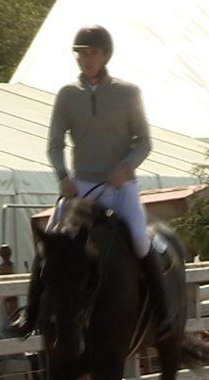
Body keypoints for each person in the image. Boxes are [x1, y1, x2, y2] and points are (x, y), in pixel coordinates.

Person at [10, 25, 174, 340]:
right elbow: (55, 144)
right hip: (82, 188)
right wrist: (63, 177)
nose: (87, 59)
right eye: (82, 53)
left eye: (93, 53)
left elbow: (144, 142)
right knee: (51, 245)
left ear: (105, 55)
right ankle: (29, 315)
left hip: (119, 186)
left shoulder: (128, 93)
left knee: (140, 239)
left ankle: (163, 312)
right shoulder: (67, 95)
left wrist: (126, 168)